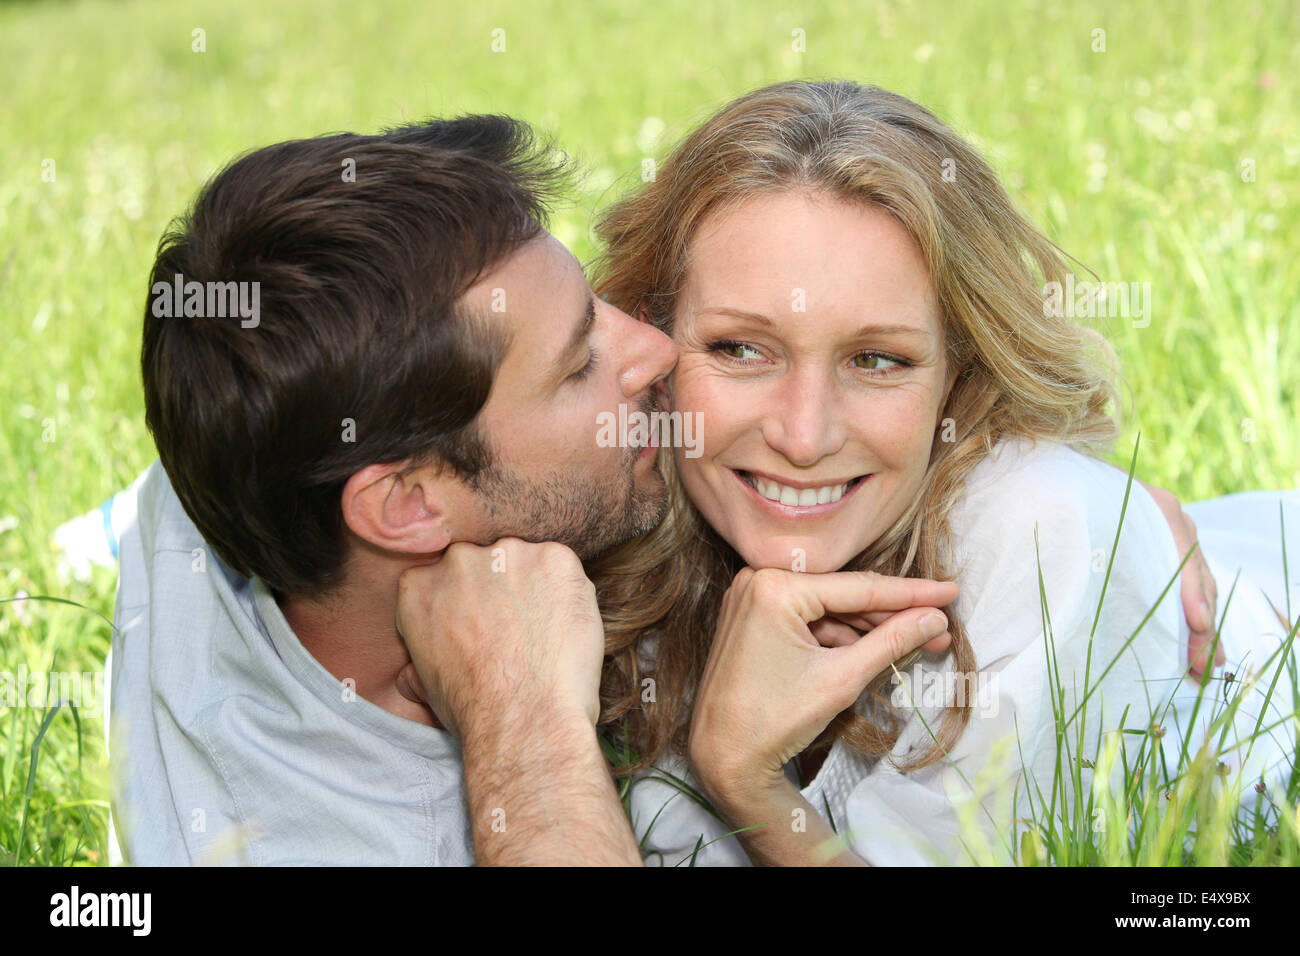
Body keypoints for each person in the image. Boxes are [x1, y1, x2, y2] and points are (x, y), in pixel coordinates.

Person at [110, 105, 1219, 867]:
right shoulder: (292, 822)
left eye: (877, 358)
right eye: (580, 359)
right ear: (404, 502)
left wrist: (1052, 485)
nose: (646, 348)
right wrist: (531, 725)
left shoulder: (253, 468)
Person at [584, 79, 1298, 865]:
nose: (802, 433)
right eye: (741, 349)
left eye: (878, 360)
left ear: (961, 374)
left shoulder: (1040, 532)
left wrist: (745, 780)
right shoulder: (624, 518)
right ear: (653, 340)